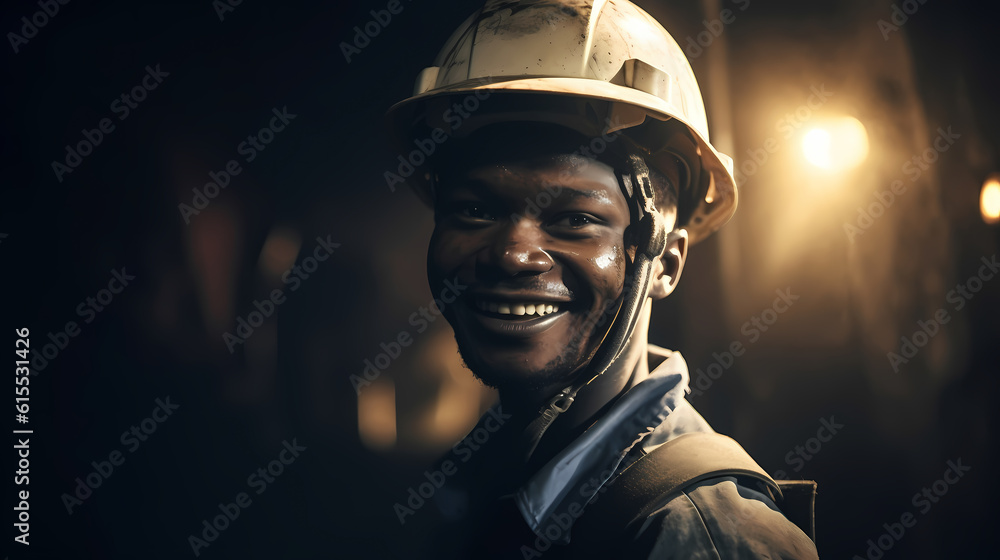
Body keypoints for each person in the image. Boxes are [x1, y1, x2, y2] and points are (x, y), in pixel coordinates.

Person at [385, 1, 820, 558]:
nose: (514, 254)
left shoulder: (707, 537)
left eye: (575, 219)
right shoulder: (482, 480)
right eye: (475, 211)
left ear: (664, 264)